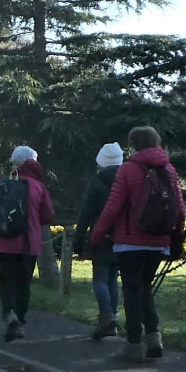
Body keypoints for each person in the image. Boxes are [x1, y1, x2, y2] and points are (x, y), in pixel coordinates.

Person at [91, 126, 185, 363]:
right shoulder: (170, 170)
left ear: (134, 144)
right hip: (159, 241)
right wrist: (175, 239)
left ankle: (133, 344)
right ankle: (154, 337)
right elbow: (180, 210)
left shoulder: (128, 170)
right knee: (144, 288)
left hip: (129, 241)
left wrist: (96, 236)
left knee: (132, 290)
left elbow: (112, 208)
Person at [0, 145, 55, 342]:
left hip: (5, 241)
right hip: (30, 244)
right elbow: (48, 215)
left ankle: (9, 314)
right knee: (24, 284)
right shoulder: (39, 187)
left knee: (5, 282)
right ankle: (20, 322)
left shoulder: (2, 184)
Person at [72, 142, 124, 340]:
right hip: (122, 236)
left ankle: (107, 316)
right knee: (113, 278)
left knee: (100, 279)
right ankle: (113, 317)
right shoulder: (126, 179)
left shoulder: (96, 181)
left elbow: (86, 213)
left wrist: (79, 239)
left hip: (101, 236)